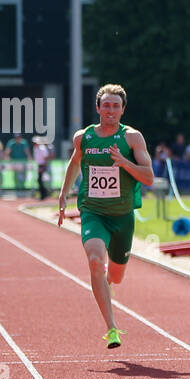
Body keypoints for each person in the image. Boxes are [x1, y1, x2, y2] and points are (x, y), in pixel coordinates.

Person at [56, 84, 154, 349]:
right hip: (93, 212)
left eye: (115, 106)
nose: (110, 110)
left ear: (122, 110)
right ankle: (112, 328)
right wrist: (64, 194)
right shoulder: (84, 137)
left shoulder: (132, 138)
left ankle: (110, 279)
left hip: (122, 217)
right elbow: (75, 162)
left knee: (117, 276)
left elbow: (149, 178)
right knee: (96, 261)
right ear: (98, 108)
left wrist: (124, 162)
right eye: (106, 105)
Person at [33, 135, 52, 200]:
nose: (34, 143)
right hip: (40, 165)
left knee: (42, 180)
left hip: (43, 165)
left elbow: (46, 158)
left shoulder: (42, 148)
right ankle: (43, 194)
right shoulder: (35, 148)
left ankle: (44, 194)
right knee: (40, 180)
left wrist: (43, 167)